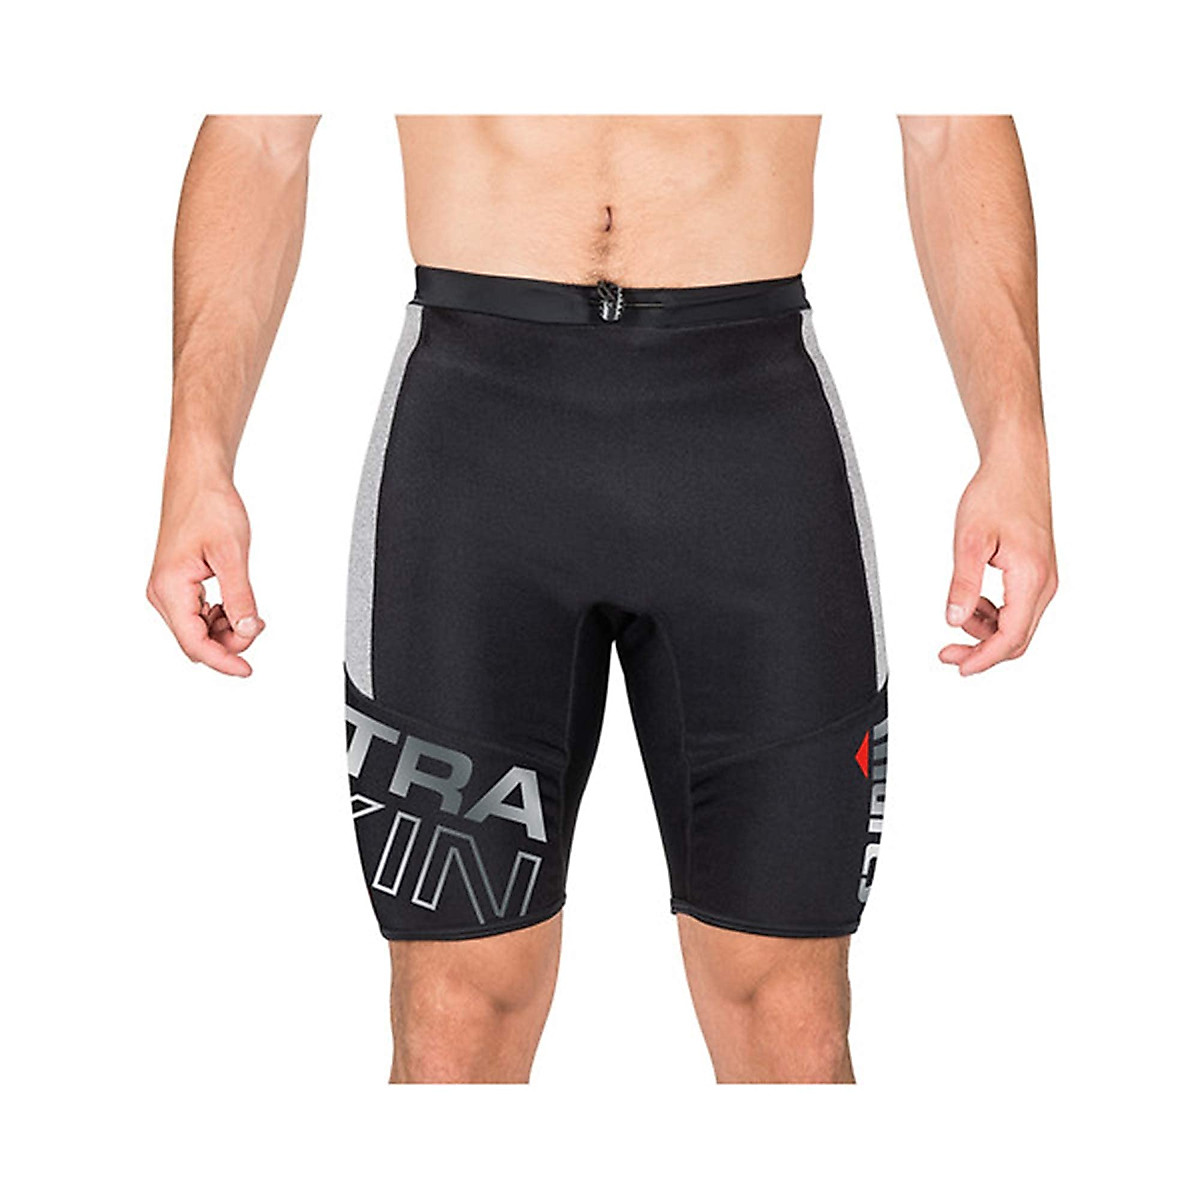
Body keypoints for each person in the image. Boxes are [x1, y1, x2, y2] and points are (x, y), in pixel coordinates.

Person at [147, 116, 1057, 1083]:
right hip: (477, 445)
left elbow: (949, 127)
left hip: (747, 439)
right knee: (456, 1022)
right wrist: (198, 452)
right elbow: (260, 136)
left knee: (789, 1023)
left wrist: (1015, 440)